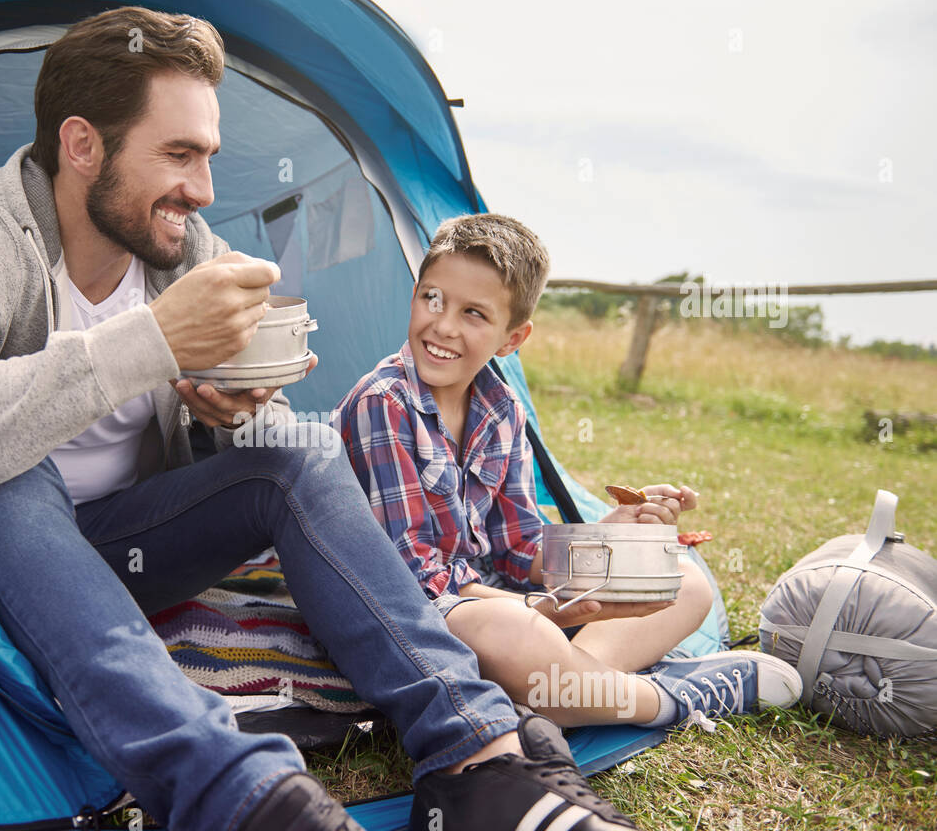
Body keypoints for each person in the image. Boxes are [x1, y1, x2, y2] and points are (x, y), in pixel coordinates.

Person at [0, 7, 712, 831]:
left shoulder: (184, 250)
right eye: (178, 155)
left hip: (136, 542)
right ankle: (263, 812)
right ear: (81, 145)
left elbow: (258, 423)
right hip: (16, 555)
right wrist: (150, 342)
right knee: (14, 472)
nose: (203, 190)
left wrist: (234, 416)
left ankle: (479, 768)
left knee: (298, 450)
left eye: (209, 157)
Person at [333, 213, 802, 741]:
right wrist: (540, 609)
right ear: (415, 295)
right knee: (516, 631)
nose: (443, 326)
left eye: (474, 314)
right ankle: (663, 698)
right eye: (433, 299)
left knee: (682, 582)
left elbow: (517, 546)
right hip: (406, 608)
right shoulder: (384, 404)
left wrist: (607, 535)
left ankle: (565, 690)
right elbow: (414, 580)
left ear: (512, 338)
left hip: (488, 597)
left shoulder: (501, 408)